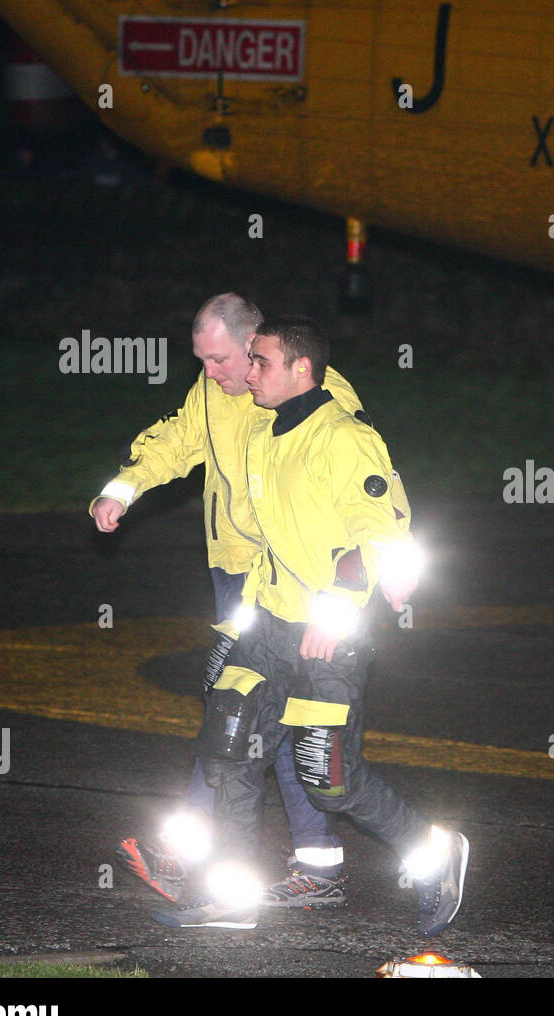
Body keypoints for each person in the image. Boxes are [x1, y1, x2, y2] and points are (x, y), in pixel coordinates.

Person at [153, 315, 468, 936]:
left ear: (302, 368)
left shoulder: (344, 439)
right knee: (233, 753)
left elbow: (383, 536)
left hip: (330, 638)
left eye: (260, 362)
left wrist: (338, 610)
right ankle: (233, 895)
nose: (248, 373)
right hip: (268, 631)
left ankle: (435, 853)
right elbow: (270, 544)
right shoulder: (266, 433)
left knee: (329, 781)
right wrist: (240, 628)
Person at [91, 294, 361, 910]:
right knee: (244, 715)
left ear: (256, 348)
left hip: (285, 587)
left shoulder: (316, 398)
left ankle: (250, 859)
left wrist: (334, 600)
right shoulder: (218, 386)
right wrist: (123, 488)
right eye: (202, 361)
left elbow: (356, 513)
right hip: (235, 575)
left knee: (260, 719)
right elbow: (179, 439)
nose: (209, 373)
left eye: (219, 360)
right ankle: (262, 859)